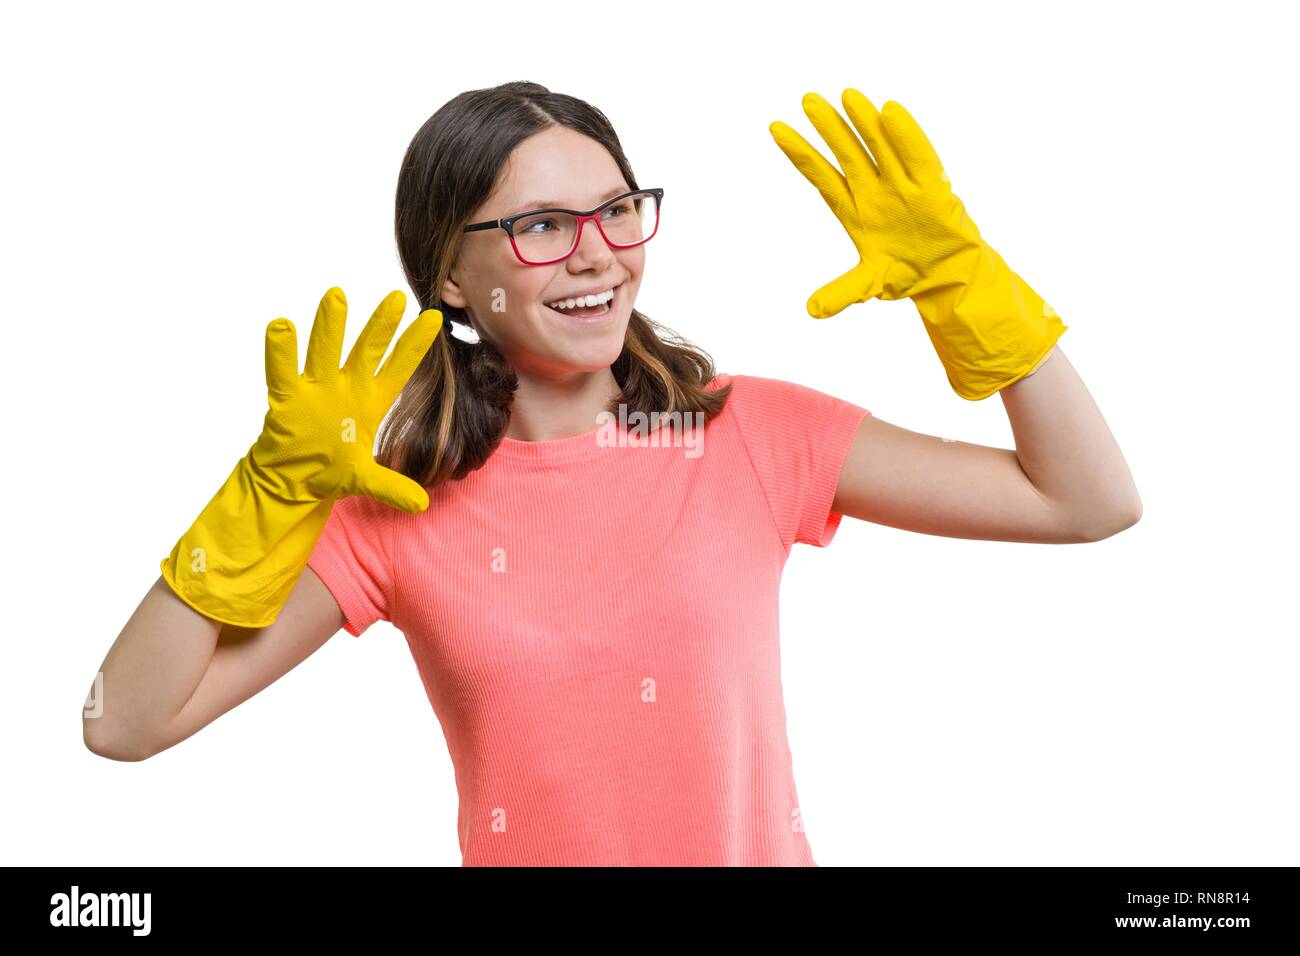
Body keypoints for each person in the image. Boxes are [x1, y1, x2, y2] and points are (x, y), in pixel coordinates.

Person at [83, 81, 1142, 866]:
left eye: (616, 210)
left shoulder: (749, 433)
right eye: (540, 226)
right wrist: (262, 493)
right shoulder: (393, 503)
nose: (596, 253)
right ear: (450, 271)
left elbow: (1085, 498)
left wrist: (966, 286)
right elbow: (124, 724)